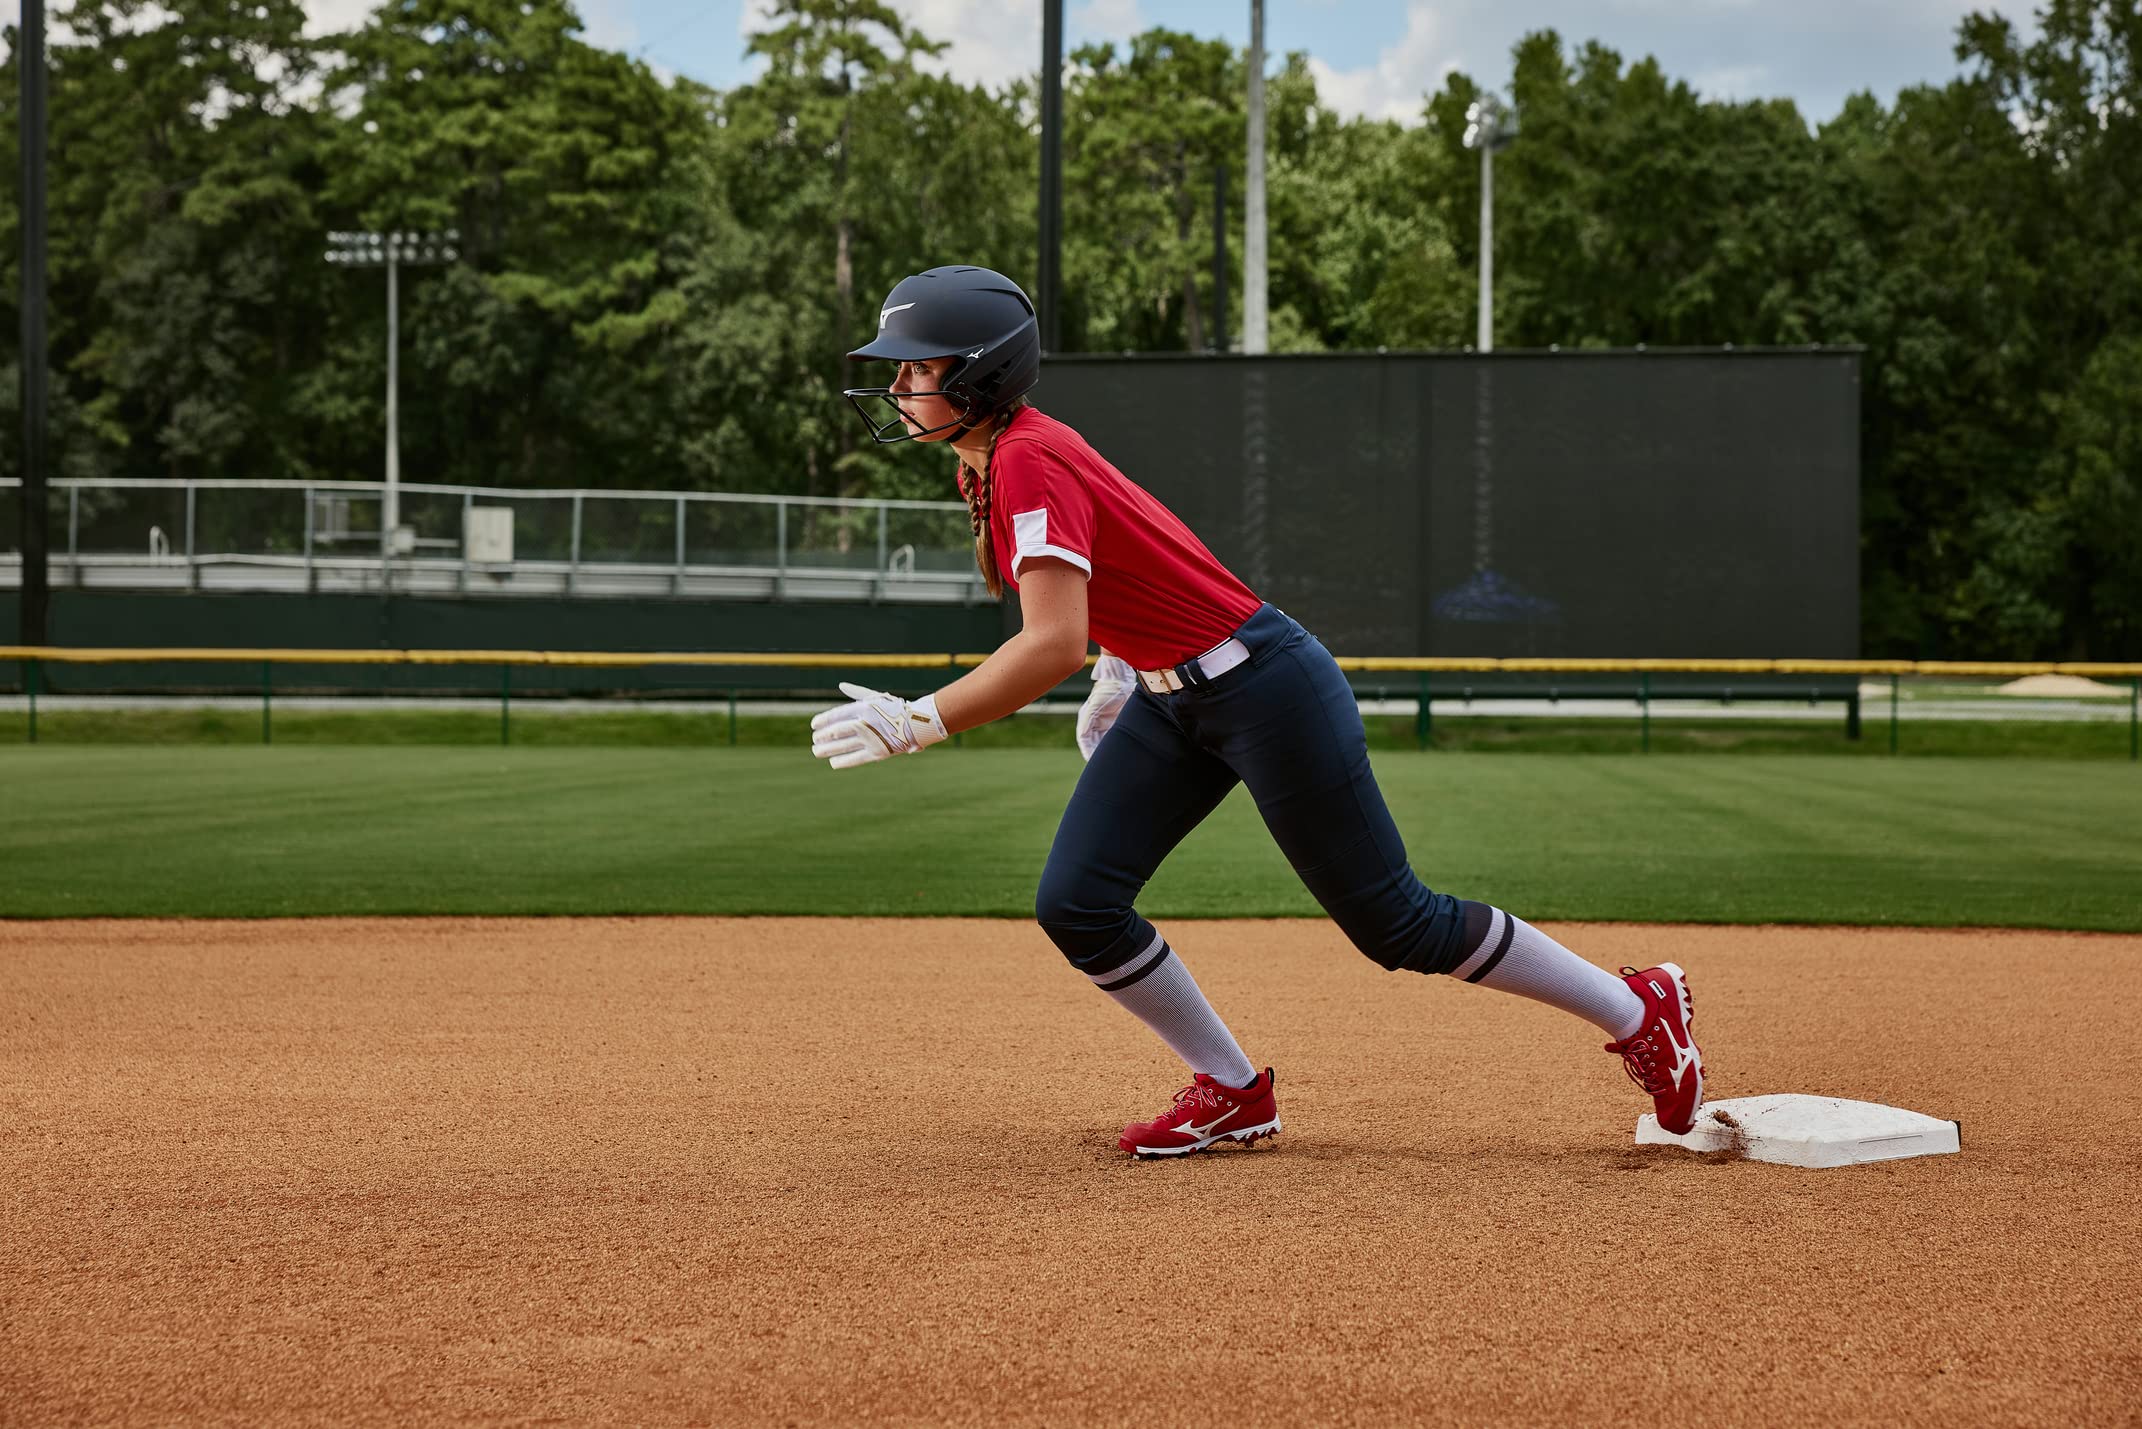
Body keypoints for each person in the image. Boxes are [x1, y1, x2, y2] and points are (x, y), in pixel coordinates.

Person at [812, 265, 1704, 1157]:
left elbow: (1050, 643)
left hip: (1266, 688)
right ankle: (1235, 1091)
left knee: (1398, 924)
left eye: (915, 369)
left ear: (979, 376)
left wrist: (919, 719)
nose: (895, 387)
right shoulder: (991, 461)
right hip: (1175, 698)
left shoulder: (1026, 457)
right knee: (1079, 902)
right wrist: (1129, 665)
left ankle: (1639, 1010)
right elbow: (1150, 557)